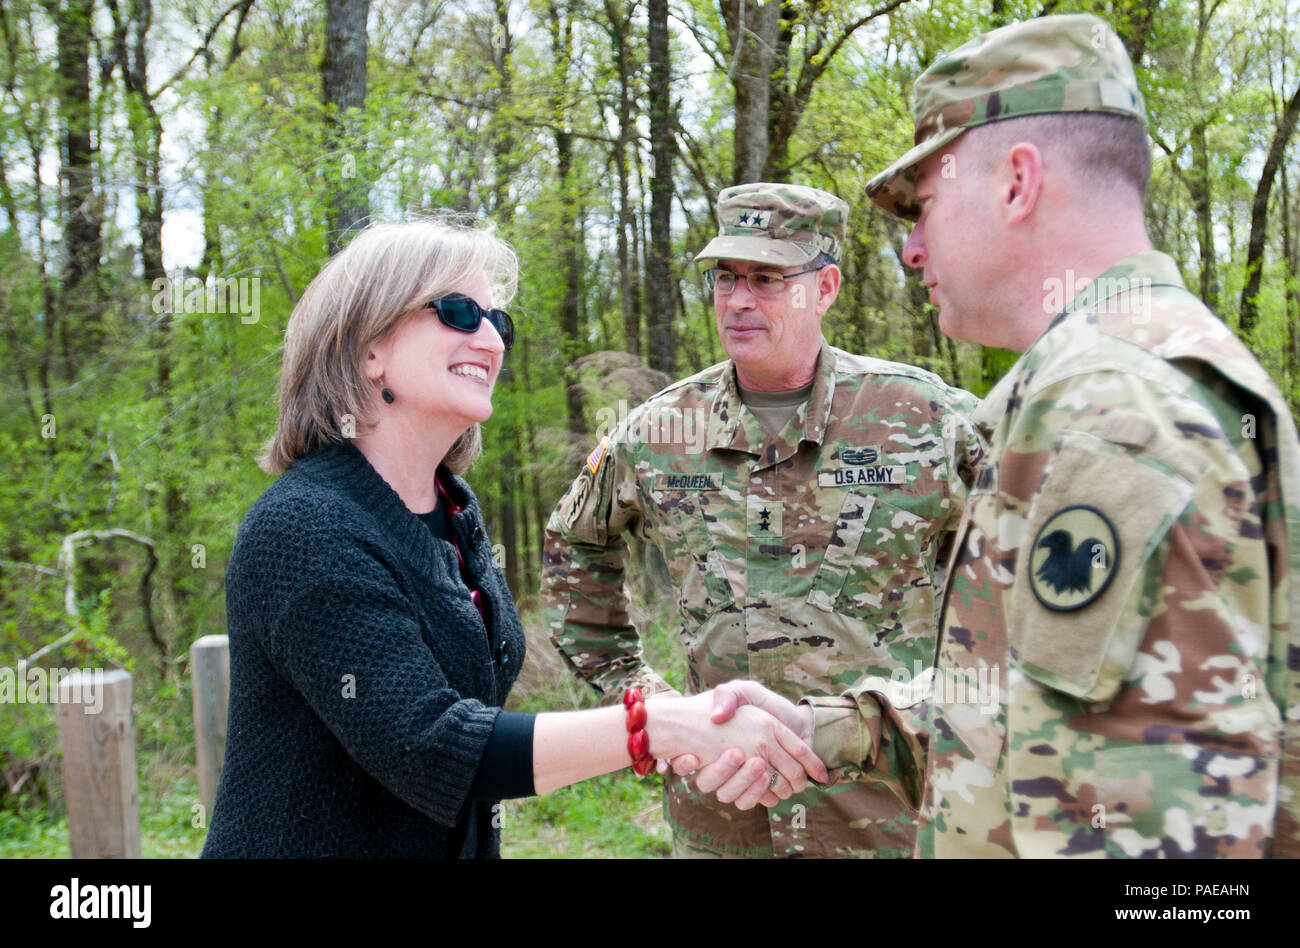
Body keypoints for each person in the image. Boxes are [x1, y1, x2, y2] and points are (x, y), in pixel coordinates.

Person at [699, 13, 1300, 858]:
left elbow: (1169, 852)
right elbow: (1032, 718)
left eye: (924, 204)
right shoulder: (1118, 374)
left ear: (1016, 183)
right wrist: (829, 727)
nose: (910, 249)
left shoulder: (1108, 405)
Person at [200, 218, 825, 859]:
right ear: (368, 346)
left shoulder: (452, 505)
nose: (491, 339)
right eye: (459, 311)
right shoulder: (305, 528)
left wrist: (697, 729)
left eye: (500, 322)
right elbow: (429, 745)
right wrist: (656, 727)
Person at [543, 184, 983, 857]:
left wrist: (959, 699)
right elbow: (575, 547)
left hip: (885, 816)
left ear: (826, 287)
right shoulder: (663, 428)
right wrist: (647, 703)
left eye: (769, 278)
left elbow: (1031, 562)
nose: (739, 300)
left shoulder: (923, 418)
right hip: (724, 816)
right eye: (726, 277)